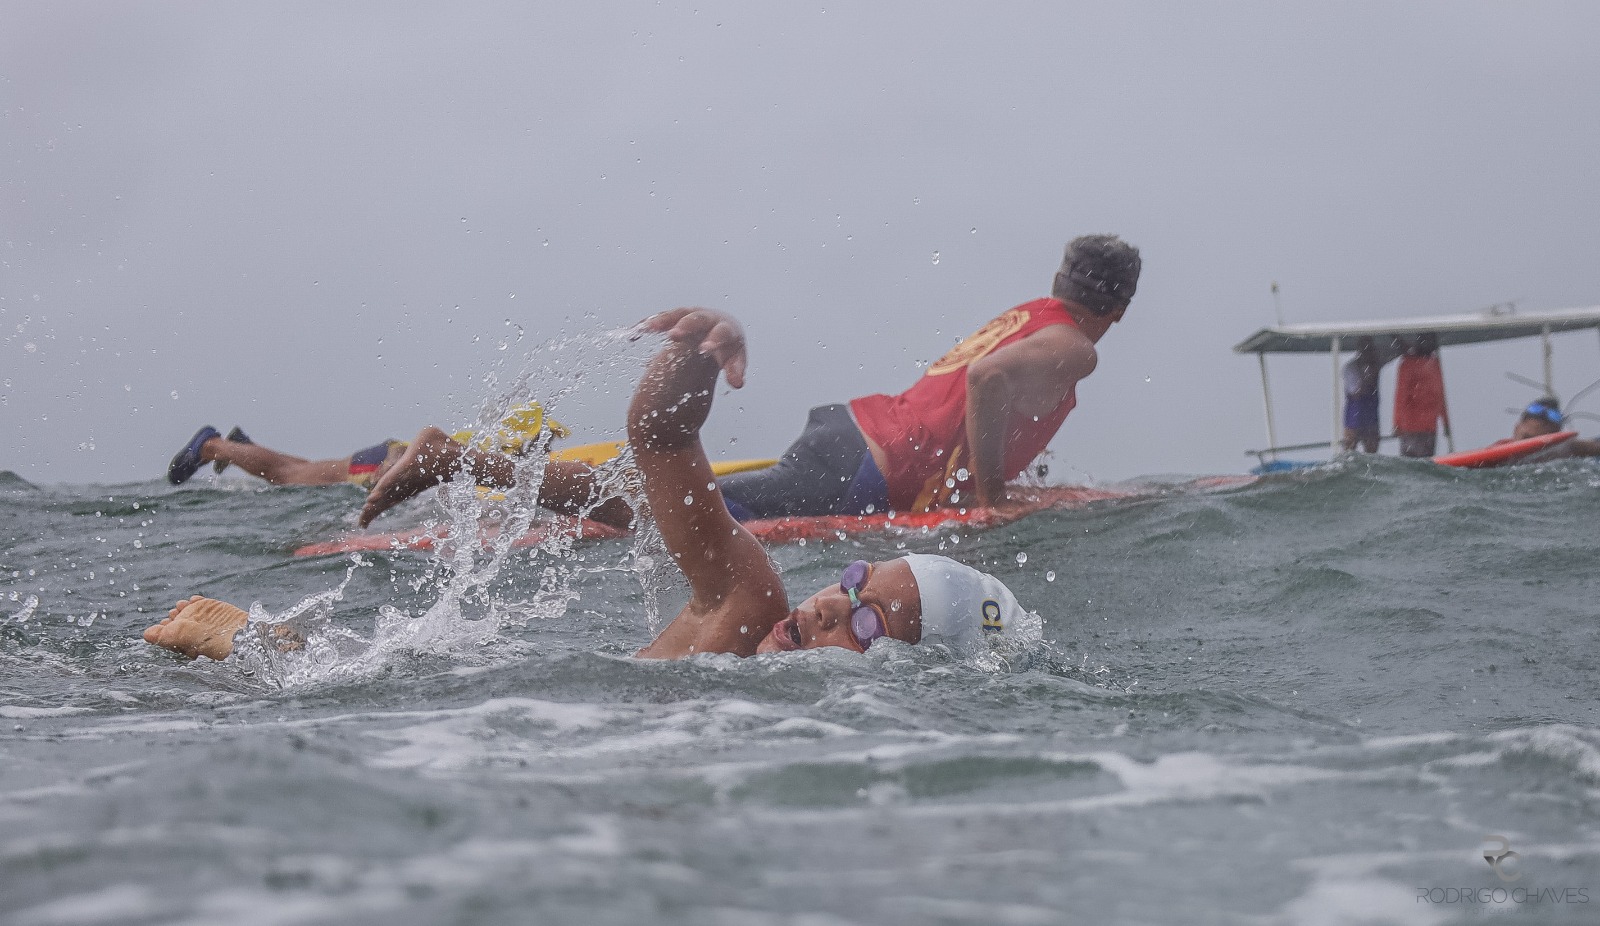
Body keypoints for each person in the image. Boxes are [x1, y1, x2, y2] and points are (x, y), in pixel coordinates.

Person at [143, 309, 1035, 661]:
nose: (836, 609)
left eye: (873, 622)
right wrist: (695, 356)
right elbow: (659, 437)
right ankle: (266, 651)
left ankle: (264, 649)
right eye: (852, 588)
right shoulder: (753, 609)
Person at [355, 234, 1142, 528]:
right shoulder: (1077, 346)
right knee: (667, 513)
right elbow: (989, 384)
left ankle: (464, 466)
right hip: (870, 468)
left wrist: (1005, 471)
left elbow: (985, 387)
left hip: (854, 435)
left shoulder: (1035, 313)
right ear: (1122, 304)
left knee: (667, 504)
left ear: (1059, 277)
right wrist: (994, 498)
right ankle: (452, 461)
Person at [164, 404, 567, 489]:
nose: (548, 446)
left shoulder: (488, 448)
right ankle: (214, 447)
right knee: (289, 477)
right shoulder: (497, 453)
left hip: (387, 453)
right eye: (545, 439)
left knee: (314, 469)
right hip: (383, 461)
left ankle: (245, 447)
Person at [1487, 397, 1600, 463]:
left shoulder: (1569, 450)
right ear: (1516, 429)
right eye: (1527, 438)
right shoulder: (1496, 451)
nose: (1528, 448)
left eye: (1537, 444)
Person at [1341, 336, 1403, 453]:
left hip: (1371, 414)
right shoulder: (1350, 367)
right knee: (1349, 447)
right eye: (1365, 348)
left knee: (1372, 448)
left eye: (1370, 349)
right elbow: (1355, 392)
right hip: (1354, 414)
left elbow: (1396, 352)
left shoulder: (1376, 363)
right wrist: (1367, 377)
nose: (1368, 352)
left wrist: (1396, 337)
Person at [1392, 333, 1450, 458]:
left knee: (1412, 464)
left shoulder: (1410, 364)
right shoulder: (1431, 364)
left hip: (1418, 427)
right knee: (1424, 462)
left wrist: (1397, 423)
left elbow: (1400, 396)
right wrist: (1446, 423)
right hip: (1421, 427)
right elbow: (1440, 396)